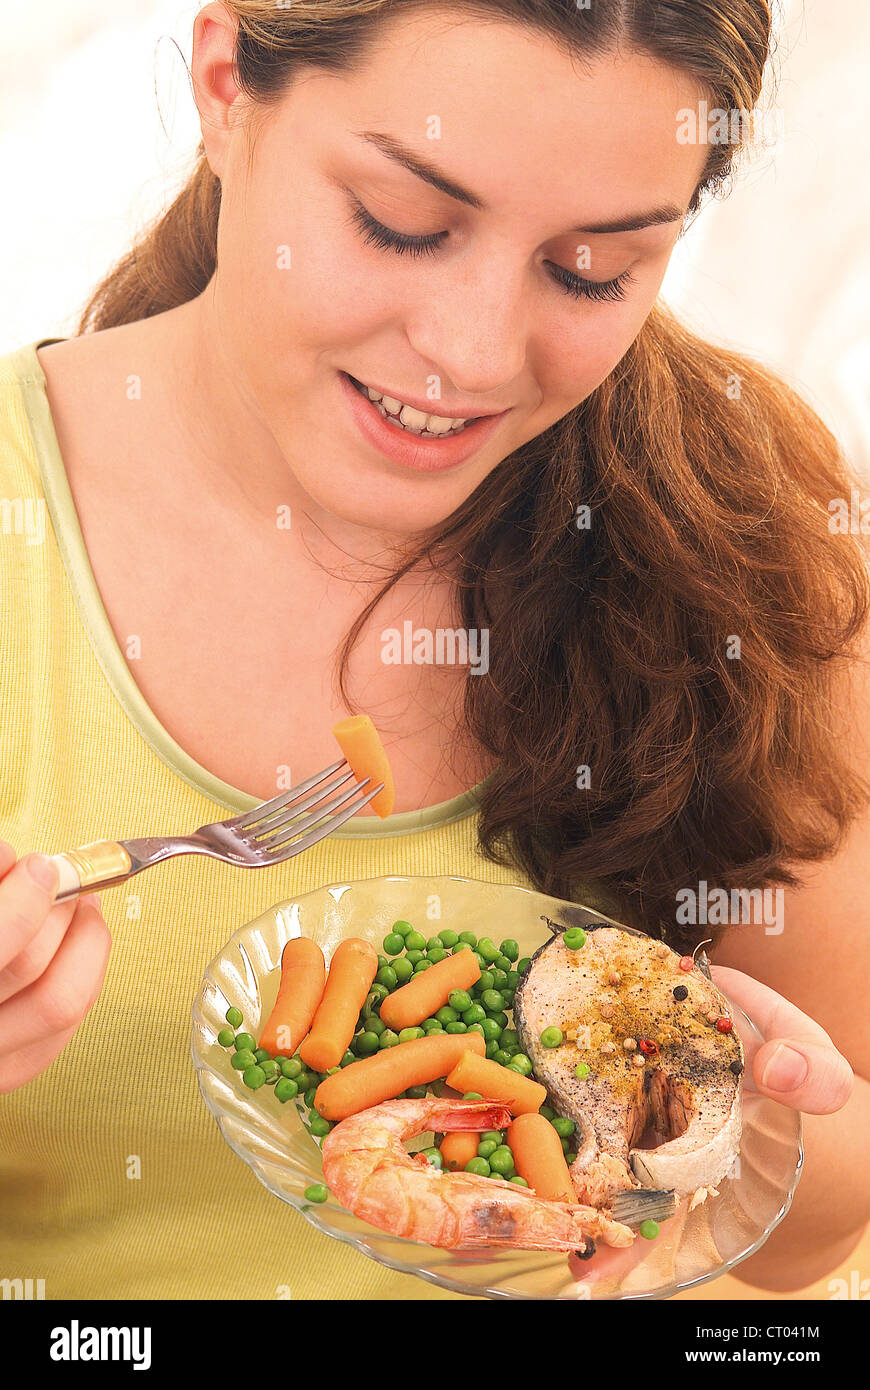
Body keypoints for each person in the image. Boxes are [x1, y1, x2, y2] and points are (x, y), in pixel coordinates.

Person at [0, 0, 866, 1300]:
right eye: (399, 222)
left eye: (588, 268)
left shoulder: (746, 539)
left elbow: (810, 1232)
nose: (467, 353)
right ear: (228, 87)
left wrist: (765, 1134)